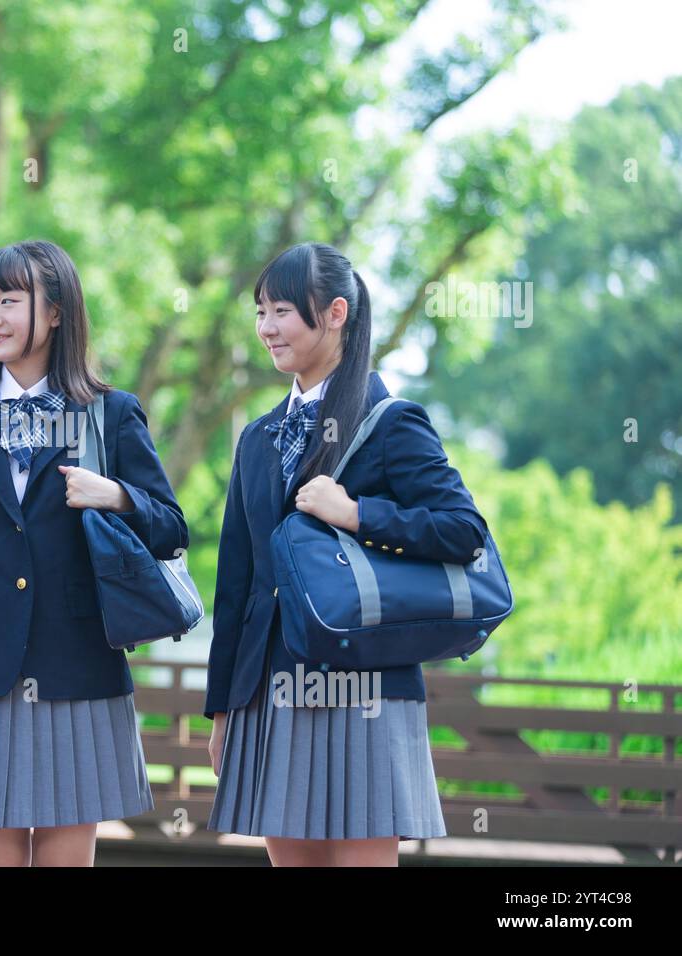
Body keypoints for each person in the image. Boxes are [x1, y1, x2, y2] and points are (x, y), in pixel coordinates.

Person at [0, 240, 189, 866]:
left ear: (55, 312)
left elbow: (171, 531)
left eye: (8, 300)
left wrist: (118, 496)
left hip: (76, 669)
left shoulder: (110, 413)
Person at [205, 241, 489, 866]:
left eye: (281, 310)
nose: (267, 328)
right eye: (260, 312)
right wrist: (224, 706)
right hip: (273, 689)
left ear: (335, 313)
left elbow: (464, 530)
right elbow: (237, 584)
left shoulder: (390, 421)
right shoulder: (257, 438)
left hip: (367, 686)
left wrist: (358, 515)